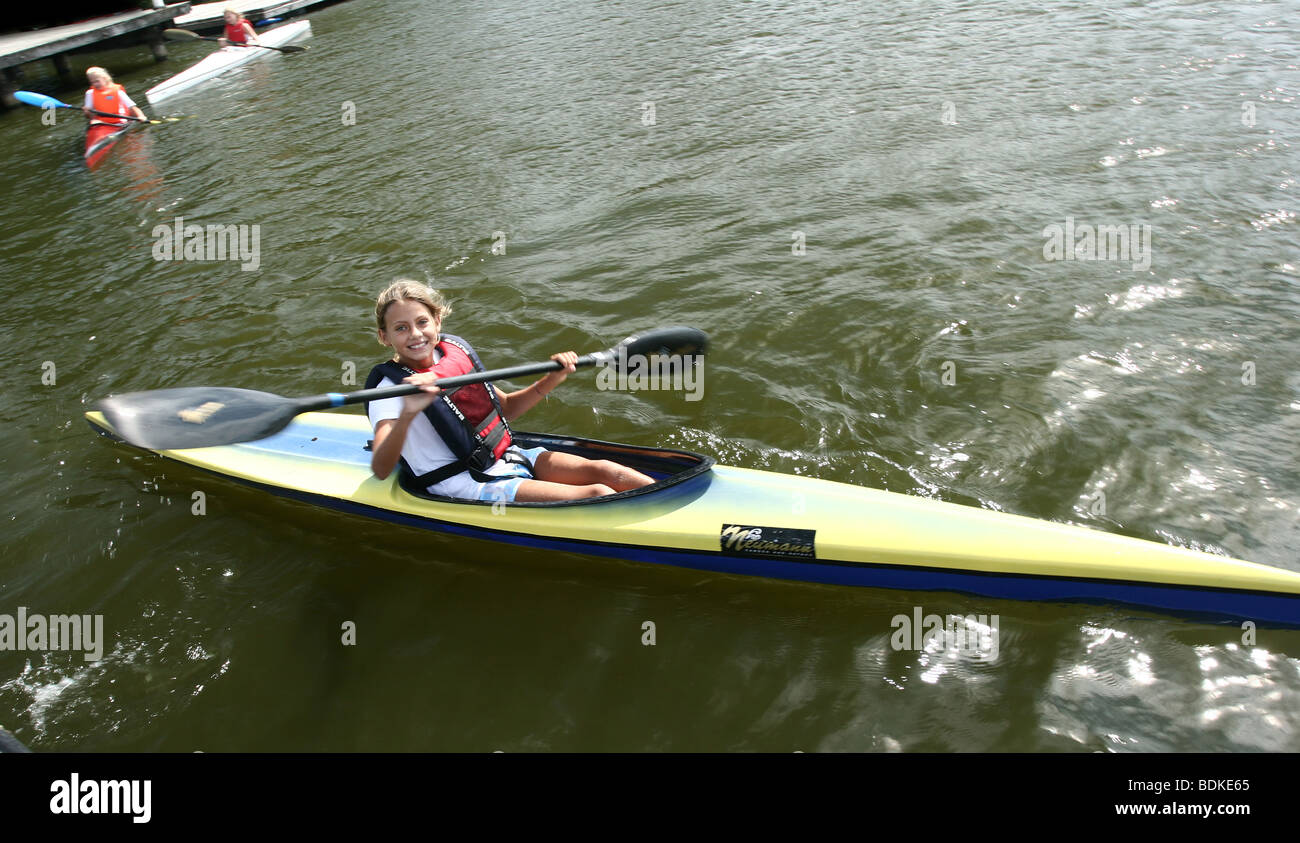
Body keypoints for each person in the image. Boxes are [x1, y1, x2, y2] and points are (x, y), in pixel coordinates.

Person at [366, 280, 655, 503]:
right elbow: (380, 468)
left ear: (437, 321)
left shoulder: (451, 359)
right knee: (597, 493)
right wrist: (408, 414)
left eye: (422, 322)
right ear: (384, 336)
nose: (415, 335)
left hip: (505, 456)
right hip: (464, 482)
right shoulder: (390, 390)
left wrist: (552, 378)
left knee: (606, 471)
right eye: (401, 328)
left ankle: (682, 509)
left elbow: (507, 409)